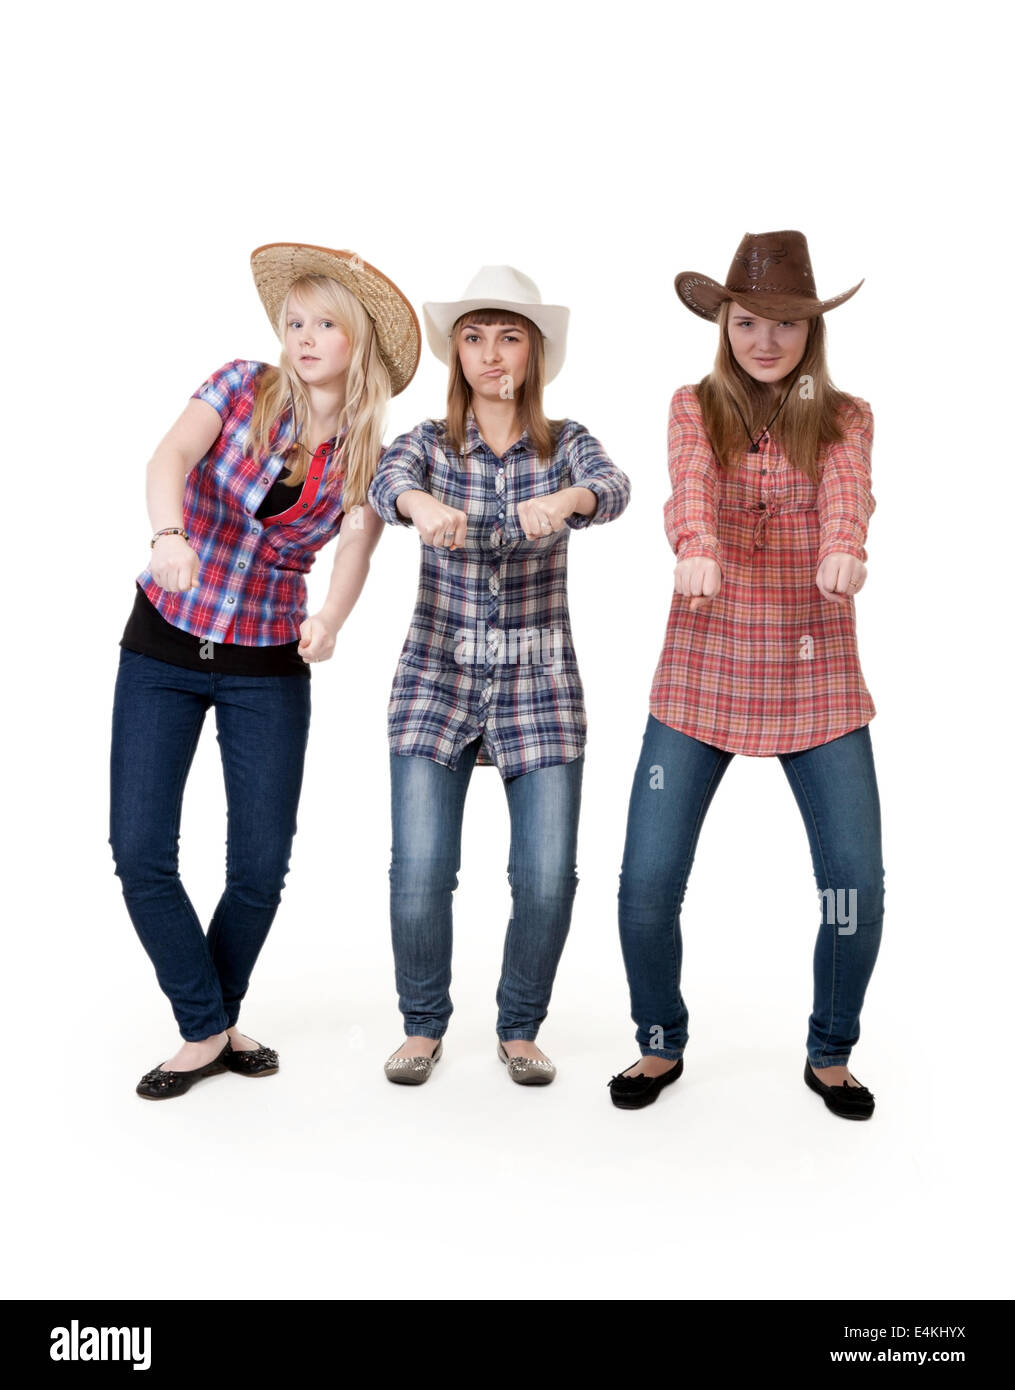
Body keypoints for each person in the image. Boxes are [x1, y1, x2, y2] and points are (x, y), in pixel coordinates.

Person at [109, 242, 420, 1099]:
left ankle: (210, 1020)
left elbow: (356, 546)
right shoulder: (241, 385)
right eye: (295, 321)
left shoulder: (366, 449)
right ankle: (208, 1026)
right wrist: (168, 537)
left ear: (357, 343)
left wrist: (332, 617)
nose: (305, 337)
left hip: (267, 666)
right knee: (140, 854)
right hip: (164, 644)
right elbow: (166, 458)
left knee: (258, 867)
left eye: (325, 324)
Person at [609, 231, 884, 1120]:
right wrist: (695, 547)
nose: (764, 340)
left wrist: (845, 547)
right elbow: (687, 485)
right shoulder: (693, 406)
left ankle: (830, 1052)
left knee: (854, 885)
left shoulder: (846, 416)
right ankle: (658, 1044)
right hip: (702, 669)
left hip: (817, 676)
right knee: (645, 885)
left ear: (811, 332)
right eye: (746, 321)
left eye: (784, 324)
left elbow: (849, 490)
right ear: (723, 322)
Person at [368, 266, 631, 1086]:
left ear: (534, 353)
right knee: (419, 873)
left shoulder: (566, 442)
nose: (491, 354)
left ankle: (519, 1028)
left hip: (539, 685)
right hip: (434, 679)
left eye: (509, 337)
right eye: (475, 338)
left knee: (546, 877)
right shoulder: (427, 443)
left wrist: (570, 502)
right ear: (458, 352)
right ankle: (421, 1026)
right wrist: (419, 508)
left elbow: (615, 486)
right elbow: (383, 482)